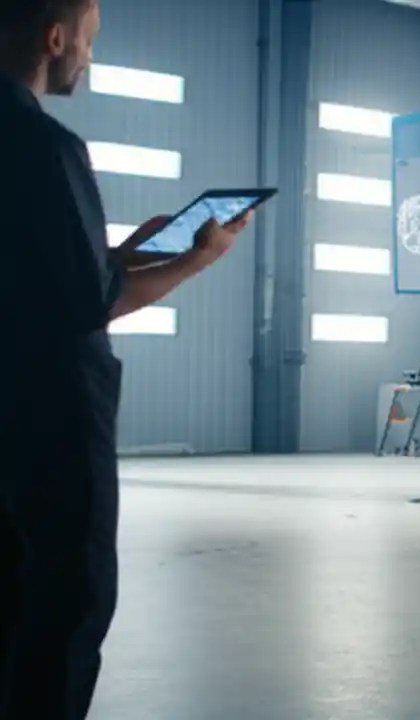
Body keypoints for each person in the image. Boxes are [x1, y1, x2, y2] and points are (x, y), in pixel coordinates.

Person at [0, 1, 252, 717]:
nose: (89, 56)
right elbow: (89, 303)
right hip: (51, 424)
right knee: (63, 605)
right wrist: (198, 258)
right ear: (55, 38)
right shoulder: (44, 144)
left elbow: (36, 276)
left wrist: (129, 251)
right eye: (88, 40)